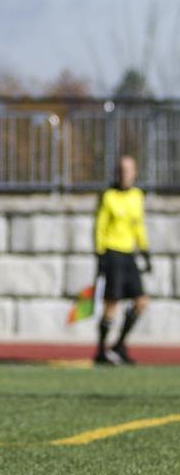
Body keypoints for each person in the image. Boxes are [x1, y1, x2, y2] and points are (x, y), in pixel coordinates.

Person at [93, 155, 151, 365]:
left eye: (128, 170)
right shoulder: (109, 196)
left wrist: (145, 250)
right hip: (112, 253)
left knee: (142, 301)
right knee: (112, 303)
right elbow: (100, 226)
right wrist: (100, 254)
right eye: (121, 170)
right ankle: (100, 350)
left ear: (135, 173)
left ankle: (119, 344)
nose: (124, 174)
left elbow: (139, 224)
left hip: (129, 255)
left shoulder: (137, 196)